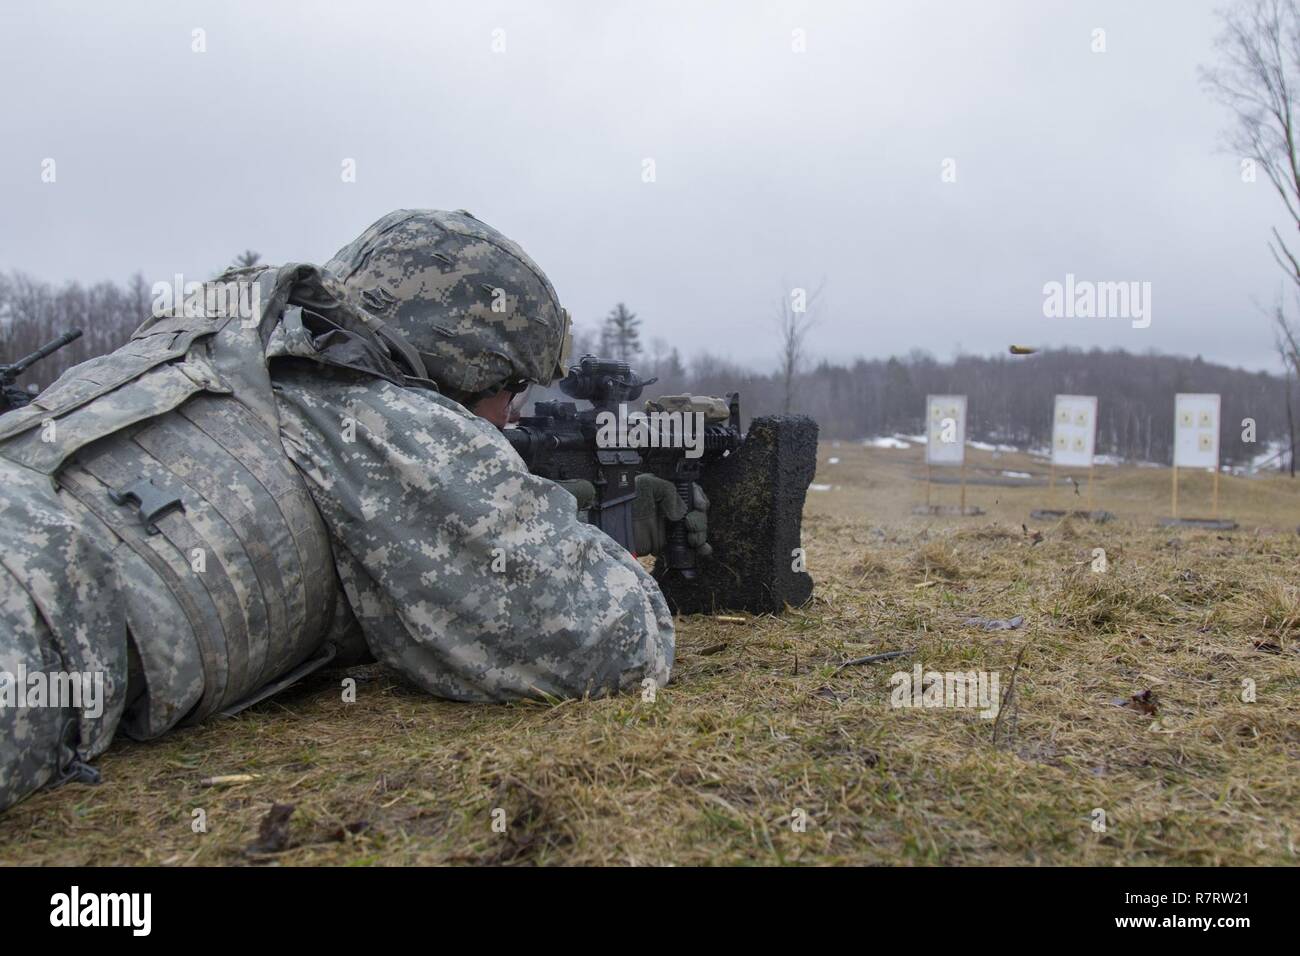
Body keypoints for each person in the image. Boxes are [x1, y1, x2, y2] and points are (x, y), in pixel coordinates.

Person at [0, 208, 705, 812]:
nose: (510, 417)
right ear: (465, 365)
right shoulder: (386, 420)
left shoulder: (218, 342)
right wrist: (594, 532)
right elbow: (612, 643)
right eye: (511, 390)